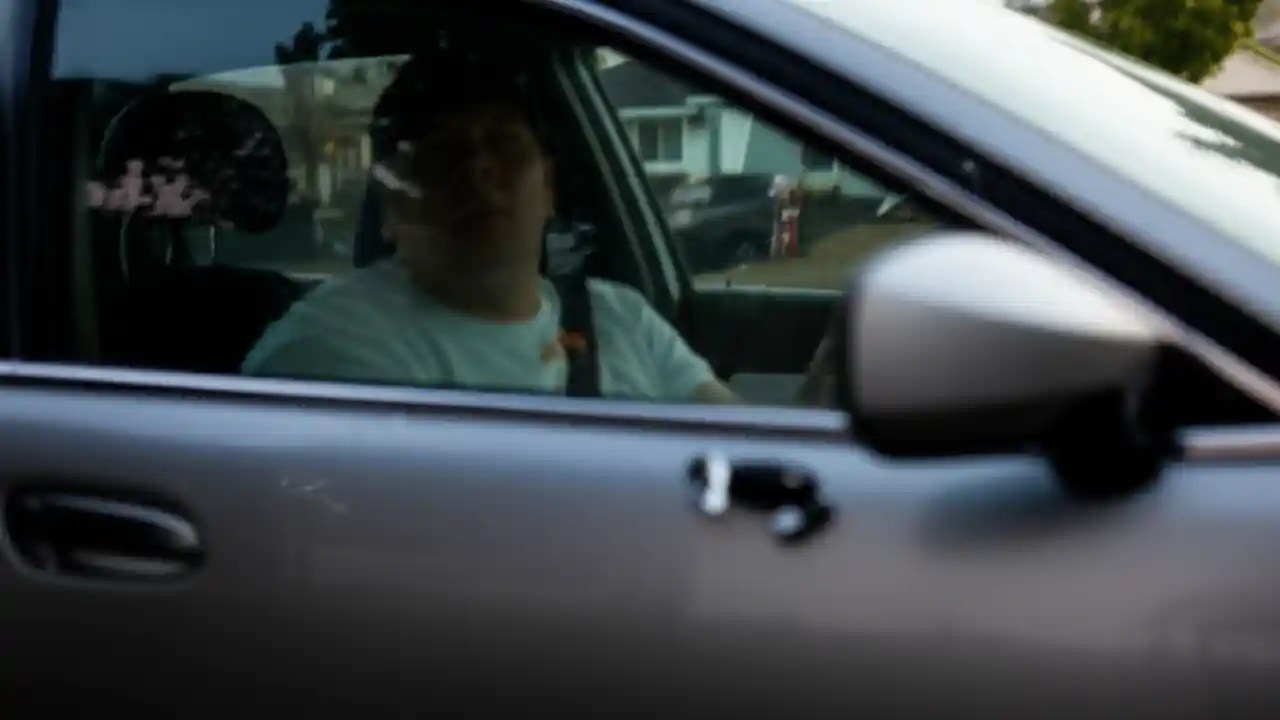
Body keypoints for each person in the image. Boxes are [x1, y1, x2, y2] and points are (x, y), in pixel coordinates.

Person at [242, 53, 741, 403]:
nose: (479, 169)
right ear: (392, 209)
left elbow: (744, 454)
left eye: (503, 145)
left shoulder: (621, 317)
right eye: (445, 155)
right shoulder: (335, 350)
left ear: (548, 187)